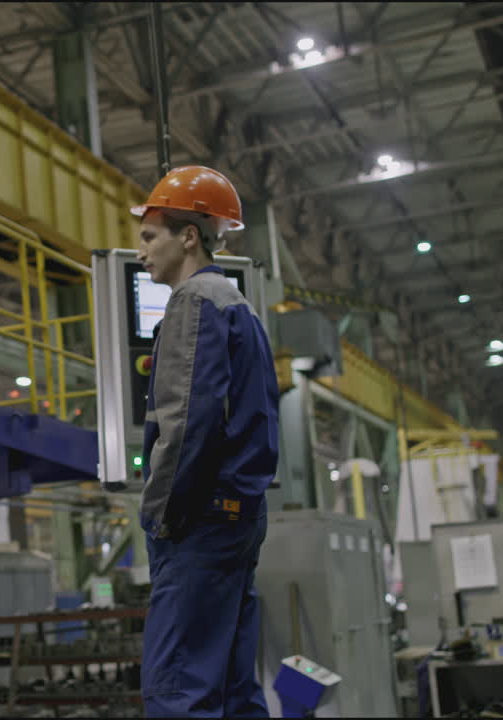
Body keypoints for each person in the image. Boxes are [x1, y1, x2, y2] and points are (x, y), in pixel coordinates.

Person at [132, 165, 280, 718]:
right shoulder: (239, 307)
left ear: (188, 235)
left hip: (199, 520)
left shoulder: (194, 302)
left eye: (151, 237)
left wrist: (161, 515)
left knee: (179, 690)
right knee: (233, 689)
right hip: (239, 515)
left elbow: (185, 423)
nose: (143, 253)